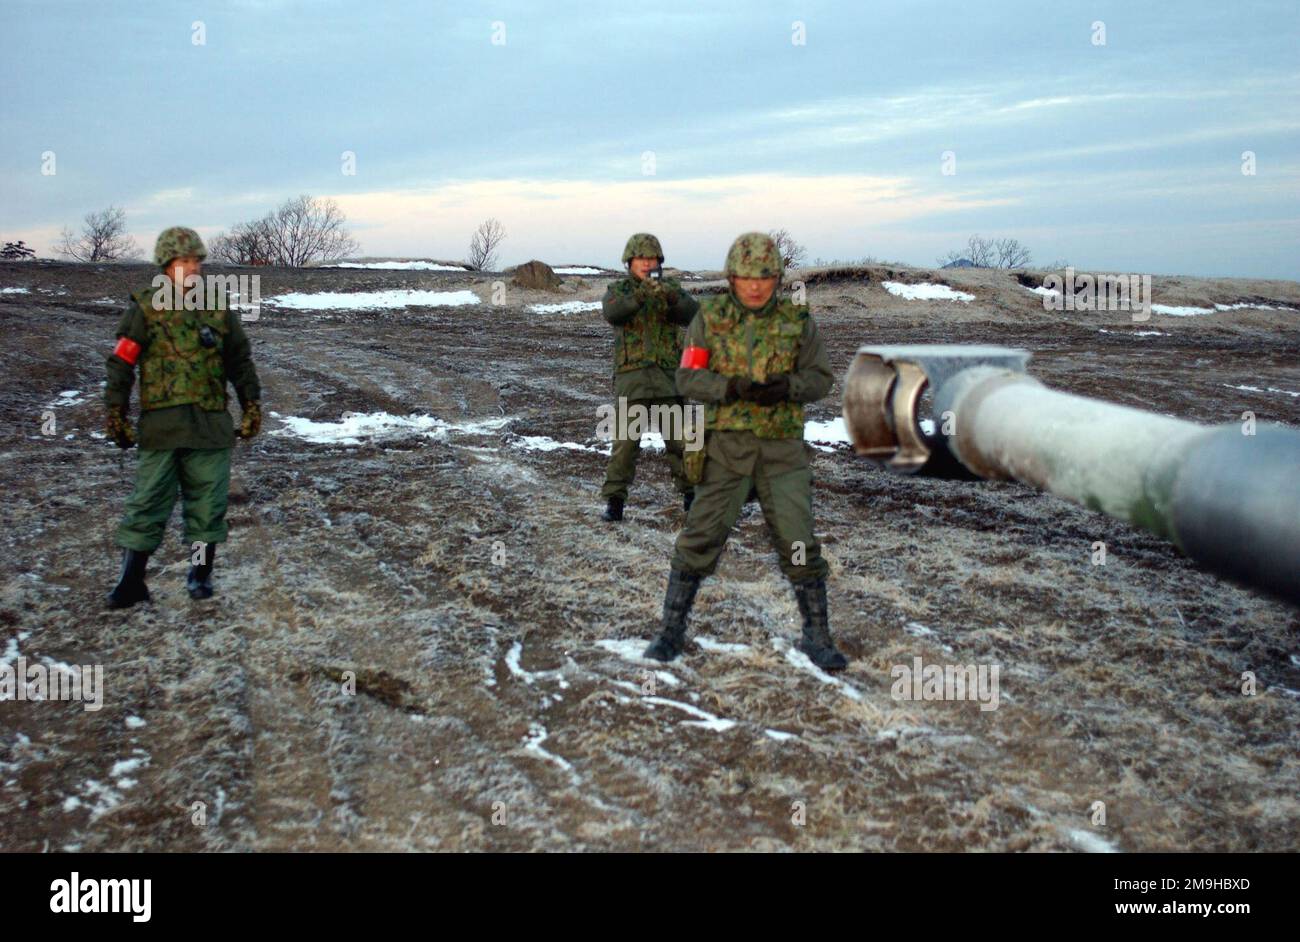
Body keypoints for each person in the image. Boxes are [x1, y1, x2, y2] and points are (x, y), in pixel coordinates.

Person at [643, 232, 848, 670]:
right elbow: (687, 379)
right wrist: (727, 386)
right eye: (745, 278)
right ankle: (670, 632)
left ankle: (818, 637)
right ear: (731, 277)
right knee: (699, 537)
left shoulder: (798, 322)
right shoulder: (709, 319)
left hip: (782, 454)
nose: (755, 286)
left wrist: (789, 386)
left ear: (777, 277)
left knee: (798, 542)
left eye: (765, 277)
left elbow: (822, 377)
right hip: (727, 451)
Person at [104, 226, 261, 606]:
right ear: (166, 265)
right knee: (148, 503)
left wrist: (251, 403)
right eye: (183, 262)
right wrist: (116, 410)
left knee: (207, 507)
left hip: (209, 427)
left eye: (196, 261)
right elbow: (122, 362)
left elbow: (239, 360)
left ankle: (199, 575)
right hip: (161, 428)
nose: (192, 268)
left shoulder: (217, 308)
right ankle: (131, 582)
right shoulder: (144, 308)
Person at [598, 233, 699, 521]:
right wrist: (642, 293)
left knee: (681, 444)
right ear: (630, 261)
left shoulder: (671, 289)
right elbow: (613, 312)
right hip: (633, 380)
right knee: (625, 446)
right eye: (641, 258)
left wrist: (669, 296)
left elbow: (693, 314)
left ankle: (693, 499)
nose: (647, 263)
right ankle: (614, 503)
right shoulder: (618, 289)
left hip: (668, 379)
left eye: (652, 259)